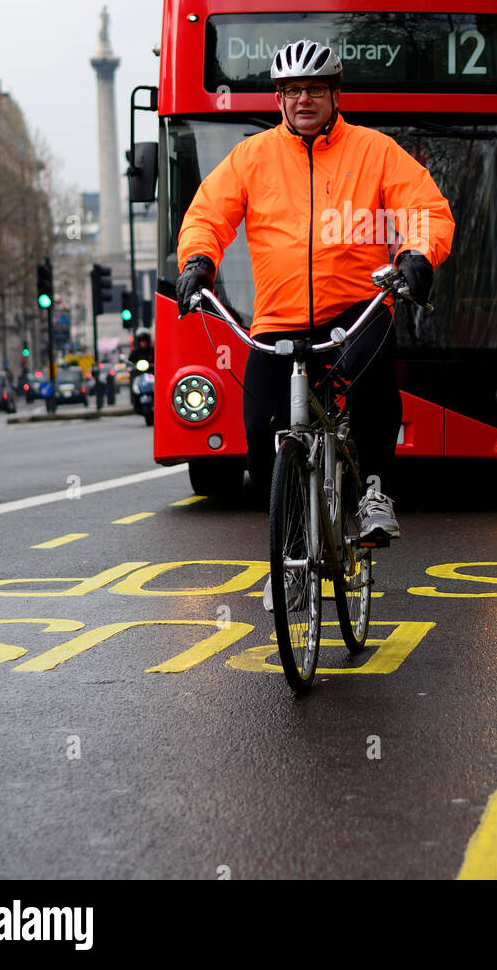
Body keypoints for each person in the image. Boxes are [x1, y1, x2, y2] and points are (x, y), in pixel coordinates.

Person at [175, 39, 455, 592]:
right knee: (260, 427)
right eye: (292, 91)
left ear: (334, 94)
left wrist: (418, 255)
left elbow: (423, 207)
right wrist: (199, 261)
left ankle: (373, 491)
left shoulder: (373, 150)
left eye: (314, 90)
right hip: (277, 318)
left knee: (374, 373)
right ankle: (292, 545)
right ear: (279, 99)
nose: (303, 99)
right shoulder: (252, 157)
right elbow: (208, 213)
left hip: (356, 303)